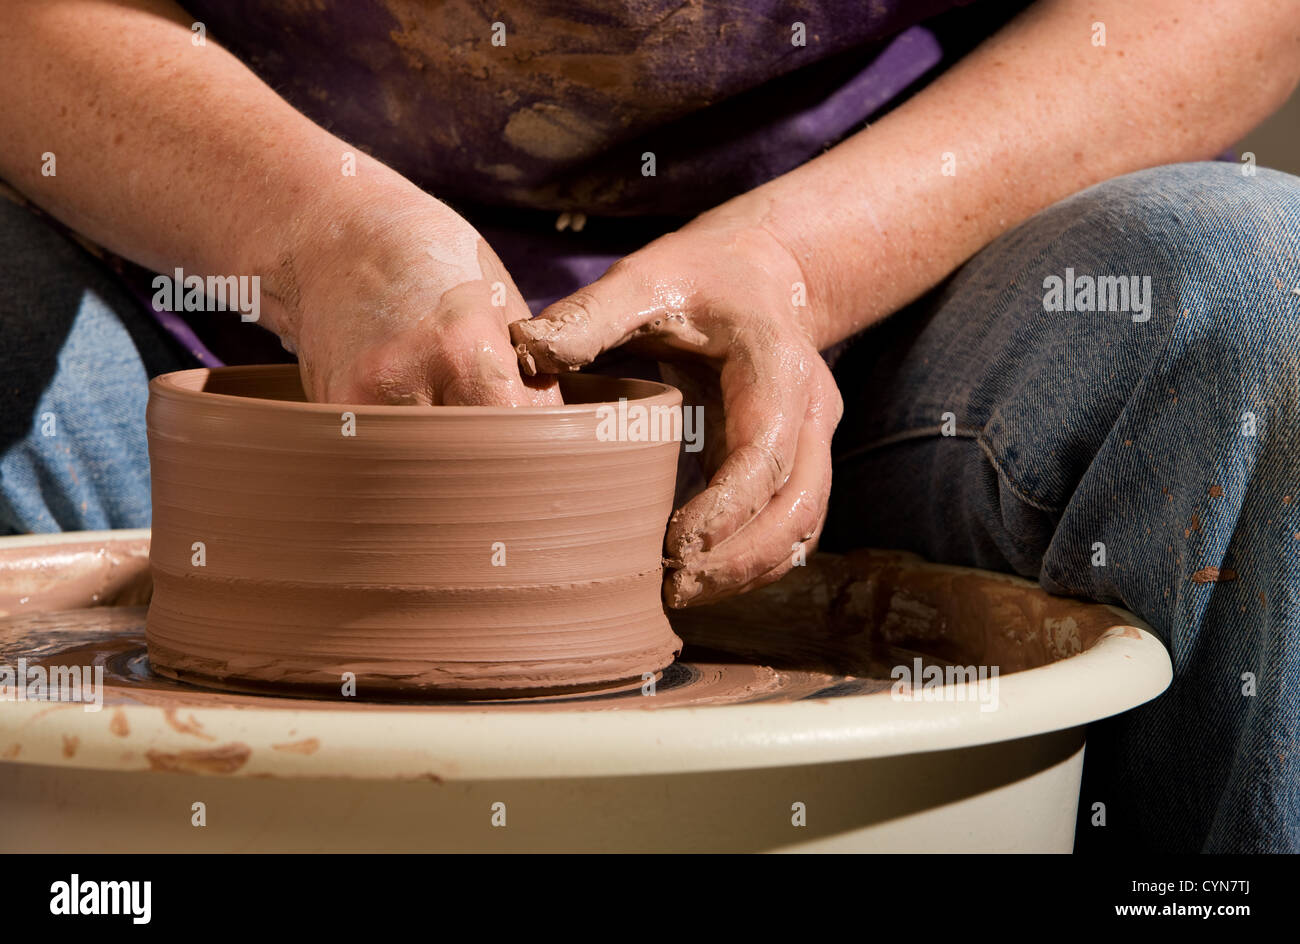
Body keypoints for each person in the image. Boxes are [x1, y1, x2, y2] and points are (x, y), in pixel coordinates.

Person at [1, 0, 1298, 852]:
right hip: (220, 295)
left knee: (1253, 288)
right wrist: (309, 233)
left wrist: (799, 266)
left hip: (889, 283)